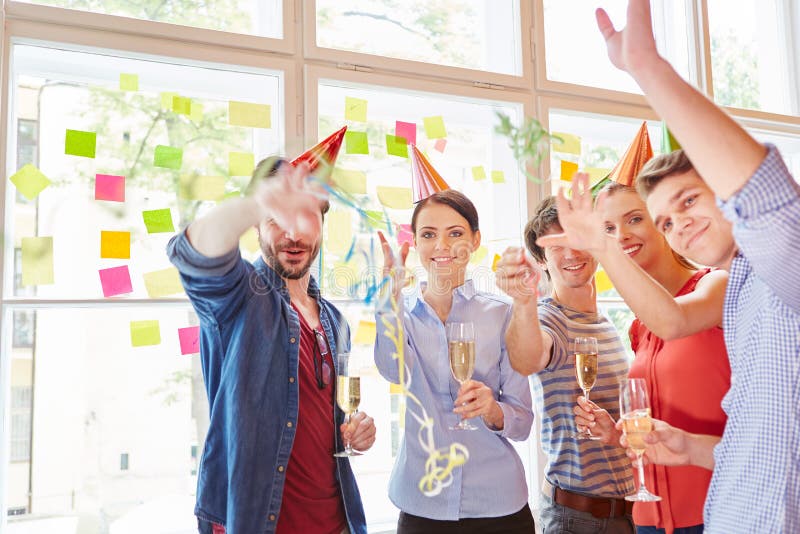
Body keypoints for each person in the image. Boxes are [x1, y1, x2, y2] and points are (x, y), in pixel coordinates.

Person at [539, 1, 800, 531]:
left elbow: (767, 198)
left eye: (689, 200)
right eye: (666, 218)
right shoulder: (743, 289)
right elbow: (765, 441)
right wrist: (691, 447)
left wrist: (647, 68)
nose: (678, 224)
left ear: (725, 191)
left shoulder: (777, 268)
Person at [167, 157, 377, 534]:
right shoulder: (240, 297)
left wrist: (355, 431)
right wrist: (259, 201)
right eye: (276, 218)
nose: (292, 233)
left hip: (338, 523)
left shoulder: (335, 321)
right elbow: (194, 255)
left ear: (323, 223)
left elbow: (324, 423)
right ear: (256, 225)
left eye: (306, 216)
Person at [569, 181, 731, 534]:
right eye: (608, 228)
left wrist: (601, 245)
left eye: (634, 219)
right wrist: (616, 434)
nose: (621, 235)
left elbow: (674, 319)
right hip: (650, 518)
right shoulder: (640, 326)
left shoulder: (716, 286)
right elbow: (660, 423)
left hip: (717, 512)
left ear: (662, 223)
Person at [374, 190, 535, 533]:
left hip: (498, 505)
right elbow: (392, 371)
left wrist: (492, 409)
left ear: (475, 240)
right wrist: (387, 303)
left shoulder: (503, 314)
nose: (442, 245)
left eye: (455, 233)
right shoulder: (401, 313)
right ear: (415, 242)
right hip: (423, 501)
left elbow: (522, 423)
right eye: (428, 234)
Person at [496, 196, 634, 533]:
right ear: (541, 259)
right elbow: (528, 359)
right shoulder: (549, 318)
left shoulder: (605, 322)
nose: (571, 253)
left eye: (578, 238)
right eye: (556, 246)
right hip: (579, 518)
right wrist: (523, 302)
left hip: (627, 514)